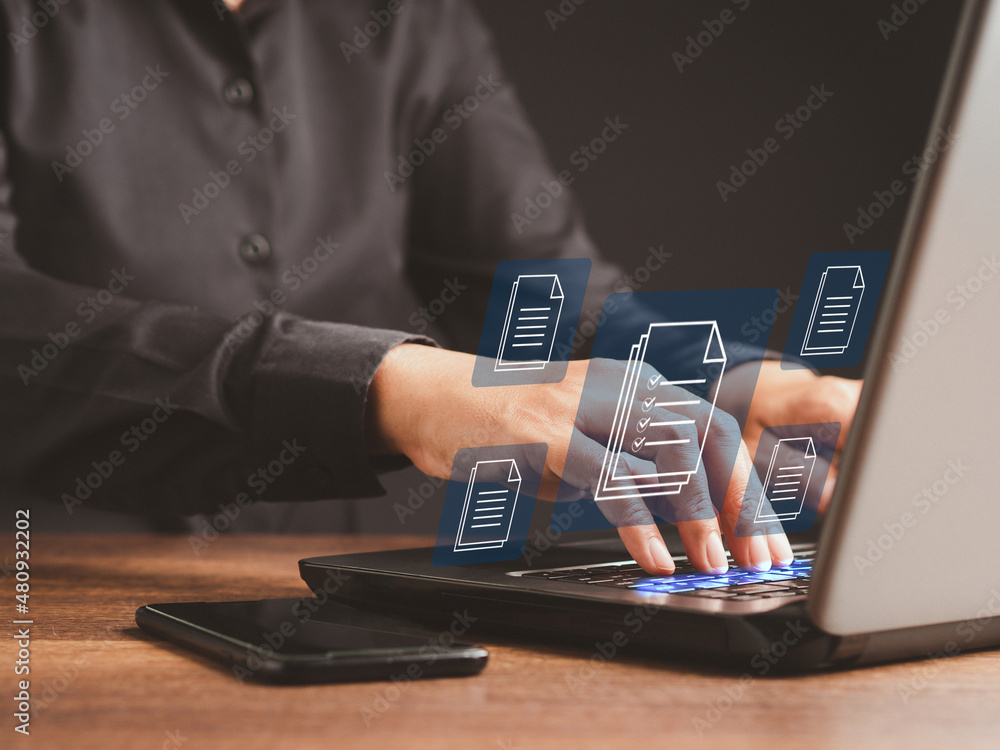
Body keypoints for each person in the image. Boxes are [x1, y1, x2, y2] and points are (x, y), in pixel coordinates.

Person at [0, 0, 858, 574]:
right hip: (42, 597)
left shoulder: (408, 16)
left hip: (322, 595)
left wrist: (734, 379)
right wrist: (394, 386)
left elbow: (533, 288)